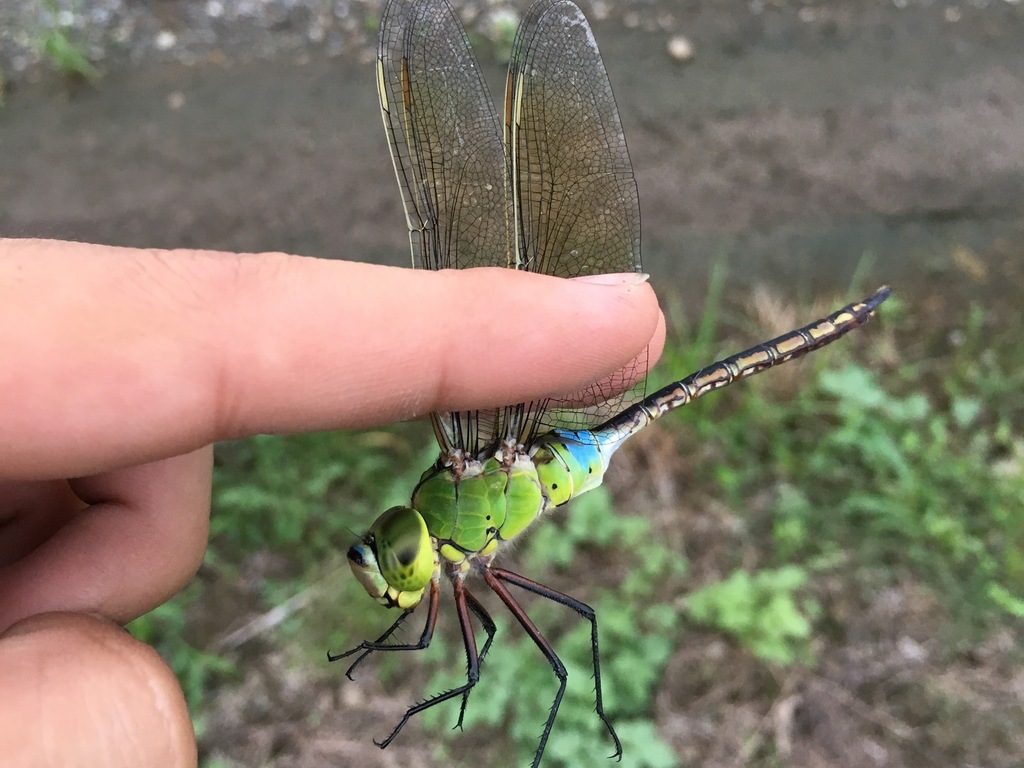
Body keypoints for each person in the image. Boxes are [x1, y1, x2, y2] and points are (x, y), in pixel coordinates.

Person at [0, 238, 664, 767]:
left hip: (553, 458)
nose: (390, 568)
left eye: (391, 559)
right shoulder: (447, 545)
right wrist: (380, 648)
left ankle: (590, 722)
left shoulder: (448, 542)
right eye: (390, 554)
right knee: (474, 649)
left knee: (560, 651)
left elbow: (441, 635)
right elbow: (435, 635)